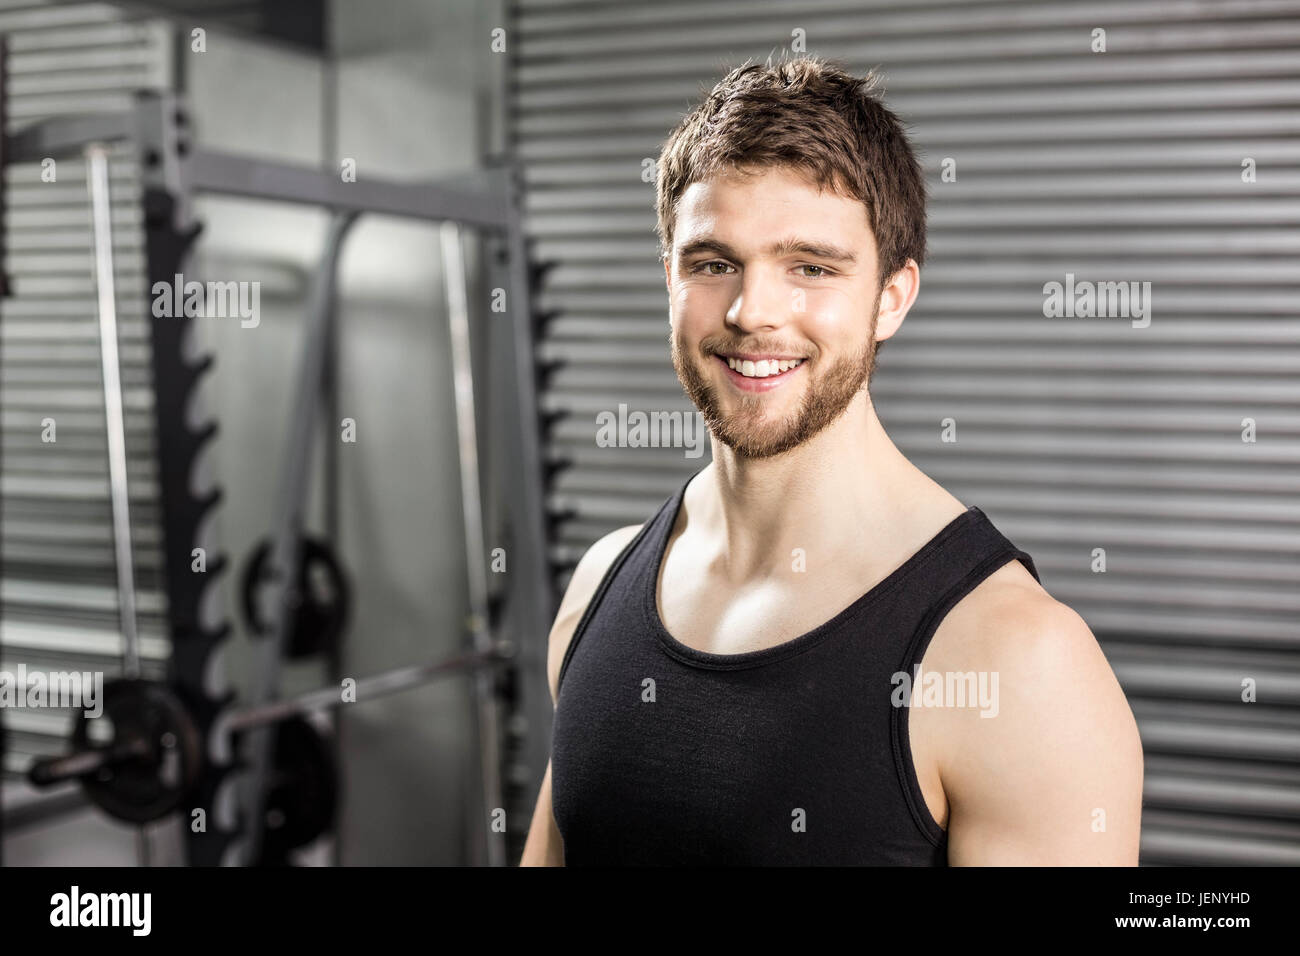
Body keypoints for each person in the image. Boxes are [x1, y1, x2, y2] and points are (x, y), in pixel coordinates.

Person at [520, 55, 1143, 866]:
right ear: (669, 276)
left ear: (892, 296)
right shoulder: (597, 591)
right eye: (714, 263)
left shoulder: (1017, 663)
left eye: (810, 267)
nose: (752, 313)